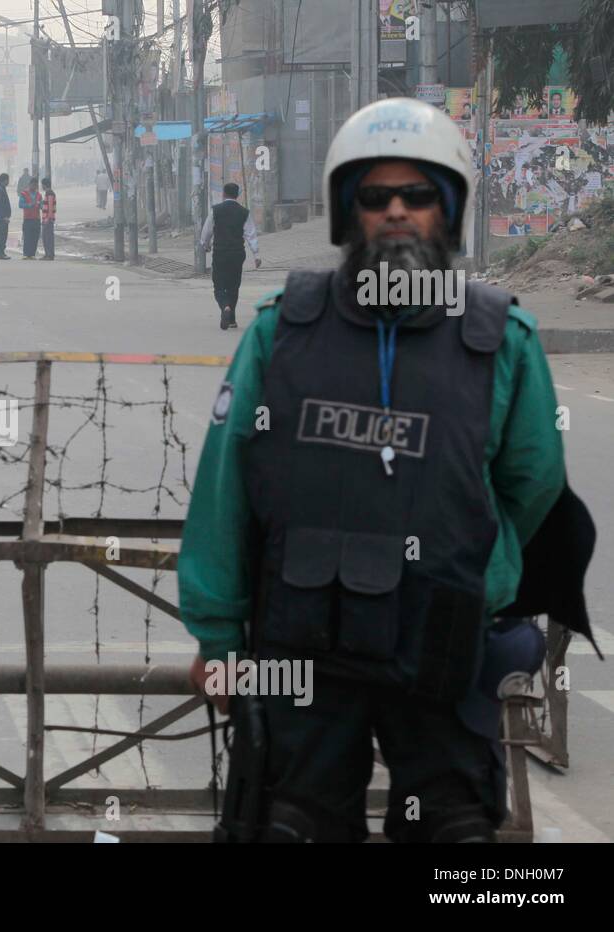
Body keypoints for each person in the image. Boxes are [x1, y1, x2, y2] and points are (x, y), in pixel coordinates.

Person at [178, 98, 572, 844]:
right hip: (304, 654)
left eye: (417, 196)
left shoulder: (502, 340)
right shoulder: (280, 330)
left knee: (455, 833)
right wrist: (220, 642)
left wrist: (467, 567)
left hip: (447, 652)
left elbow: (532, 485)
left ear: (447, 208)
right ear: (346, 211)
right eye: (375, 197)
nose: (396, 212)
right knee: (291, 825)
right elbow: (227, 494)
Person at [200, 181, 261, 330]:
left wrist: (205, 245)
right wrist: (256, 255)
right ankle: (232, 319)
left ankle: (225, 307)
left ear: (223, 194)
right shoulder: (244, 212)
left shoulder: (216, 210)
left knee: (219, 285)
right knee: (234, 286)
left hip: (220, 253)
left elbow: (207, 231)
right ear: (237, 195)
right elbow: (251, 234)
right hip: (237, 254)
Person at [18, 177, 42, 259]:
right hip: (27, 218)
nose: (35, 187)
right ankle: (26, 254)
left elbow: (42, 205)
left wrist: (40, 205)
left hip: (36, 218)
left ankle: (32, 254)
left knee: (35, 237)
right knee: (27, 236)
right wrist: (29, 205)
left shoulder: (39, 195)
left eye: (36, 185)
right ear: (30, 185)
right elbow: (20, 205)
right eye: (33, 185)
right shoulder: (24, 194)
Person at [0, 173, 12, 260]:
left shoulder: (1, 189)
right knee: (2, 234)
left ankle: (1, 252)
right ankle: (0, 252)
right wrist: (4, 216)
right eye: (8, 180)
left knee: (2, 234)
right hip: (2, 217)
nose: (8, 182)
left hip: (1, 217)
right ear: (5, 180)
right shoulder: (0, 190)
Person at [39, 176, 57, 260]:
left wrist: (47, 218)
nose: (41, 186)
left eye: (42, 185)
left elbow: (50, 206)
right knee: (46, 237)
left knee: (47, 237)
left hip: (48, 219)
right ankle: (48, 254)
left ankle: (49, 254)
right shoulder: (48, 193)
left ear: (45, 185)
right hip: (47, 218)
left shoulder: (49, 193)